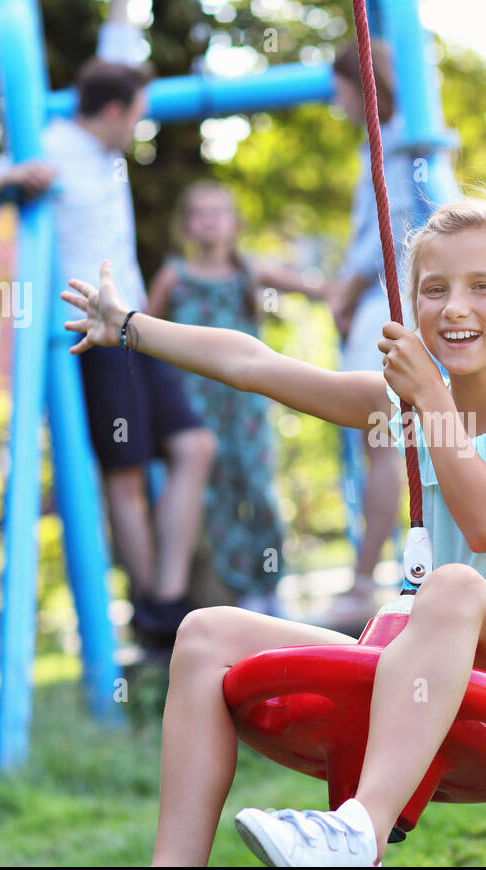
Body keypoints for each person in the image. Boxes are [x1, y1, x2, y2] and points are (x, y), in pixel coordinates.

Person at [61, 197, 486, 867]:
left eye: (482, 287)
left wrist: (432, 401)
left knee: (450, 589)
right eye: (433, 290)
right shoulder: (401, 406)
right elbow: (257, 366)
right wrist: (131, 326)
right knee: (205, 635)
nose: (455, 307)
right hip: (424, 666)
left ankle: (358, 832)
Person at [0, 1, 214, 652]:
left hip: (139, 323)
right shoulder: (52, 152)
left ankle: (166, 599)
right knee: (123, 475)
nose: (143, 123)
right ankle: (152, 614)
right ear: (117, 112)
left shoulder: (107, 119)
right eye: (139, 114)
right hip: (92, 331)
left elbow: (120, 36)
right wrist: (3, 182)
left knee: (194, 448)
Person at [145, 181, 328, 619]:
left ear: (234, 223)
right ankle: (237, 590)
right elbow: (142, 330)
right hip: (197, 403)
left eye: (218, 212)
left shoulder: (251, 273)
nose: (209, 221)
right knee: (214, 496)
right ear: (186, 224)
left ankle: (270, 584)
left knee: (258, 486)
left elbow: (312, 288)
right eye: (199, 213)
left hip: (247, 403)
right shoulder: (175, 276)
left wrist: (350, 295)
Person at [319, 39, 433, 628]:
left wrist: (347, 286)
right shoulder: (396, 136)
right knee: (396, 441)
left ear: (360, 83)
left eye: (338, 88)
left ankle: (366, 581)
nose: (334, 101)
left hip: (387, 303)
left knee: (384, 443)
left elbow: (392, 227)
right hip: (388, 300)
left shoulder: (404, 138)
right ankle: (393, 574)